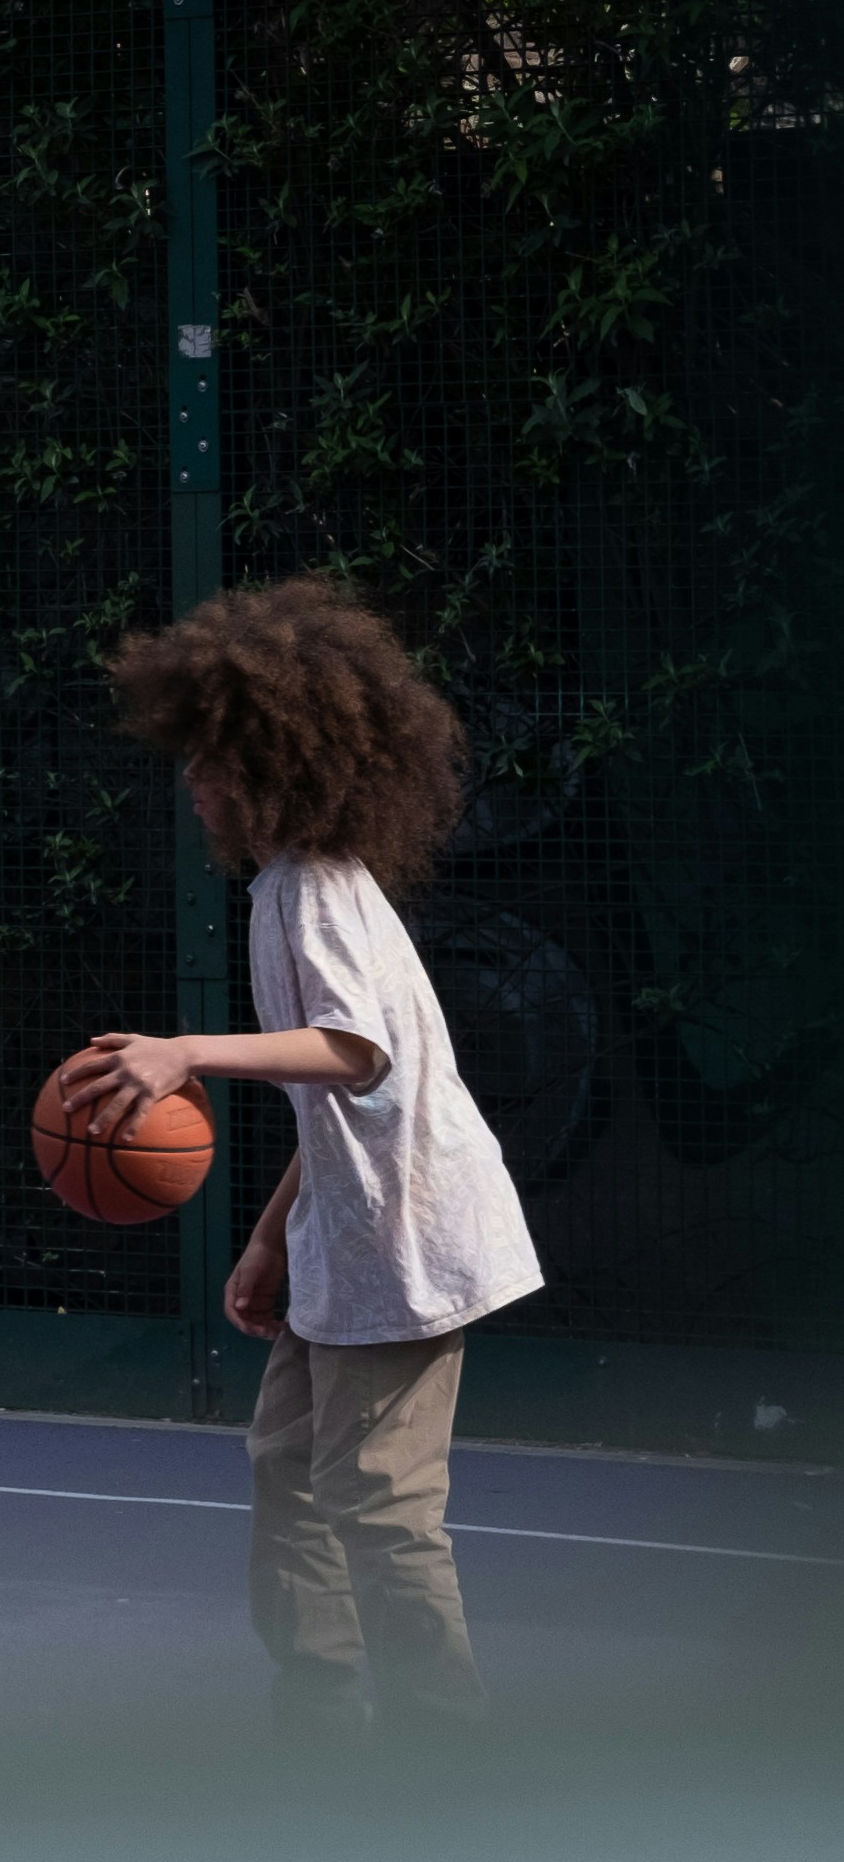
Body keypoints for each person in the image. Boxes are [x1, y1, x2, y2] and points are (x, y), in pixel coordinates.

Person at [86, 578, 541, 1737]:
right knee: (287, 1465)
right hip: (348, 1228)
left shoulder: (313, 892)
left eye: (210, 764)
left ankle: (449, 1755)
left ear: (273, 769)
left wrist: (182, 1049)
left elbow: (350, 1051)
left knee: (381, 1506)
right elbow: (334, 1099)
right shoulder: (287, 891)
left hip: (409, 1236)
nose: (192, 785)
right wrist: (267, 1236)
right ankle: (318, 1714)